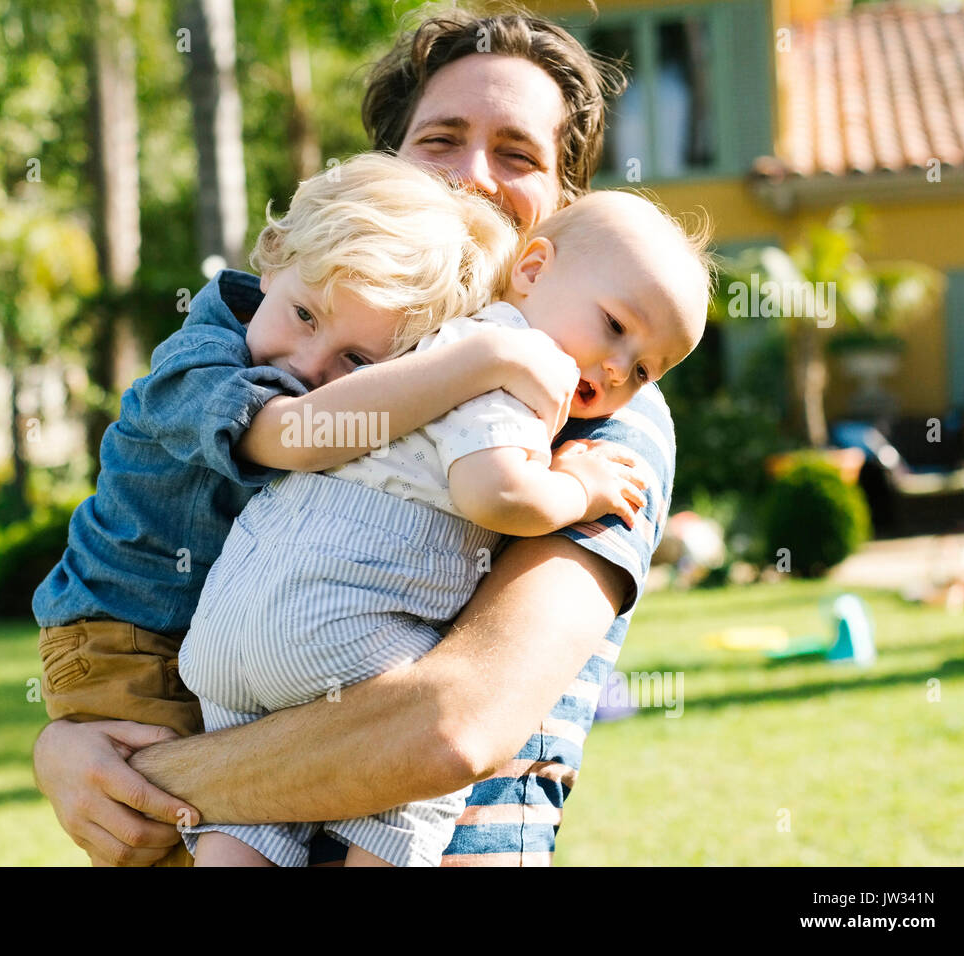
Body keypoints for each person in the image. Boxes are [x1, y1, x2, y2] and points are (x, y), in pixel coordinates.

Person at [33, 7, 666, 868]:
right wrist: (73, 747)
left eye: (517, 154)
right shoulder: (292, 337)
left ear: (560, 211)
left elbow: (448, 727)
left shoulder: (599, 412)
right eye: (442, 138)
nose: (473, 176)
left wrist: (134, 778)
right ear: (386, 164)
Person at [180, 187, 710, 867]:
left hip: (229, 627)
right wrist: (579, 488)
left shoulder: (415, 339)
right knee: (410, 784)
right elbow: (494, 492)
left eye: (643, 368)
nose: (615, 368)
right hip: (334, 625)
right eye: (613, 325)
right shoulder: (520, 361)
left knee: (245, 828)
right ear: (533, 269)